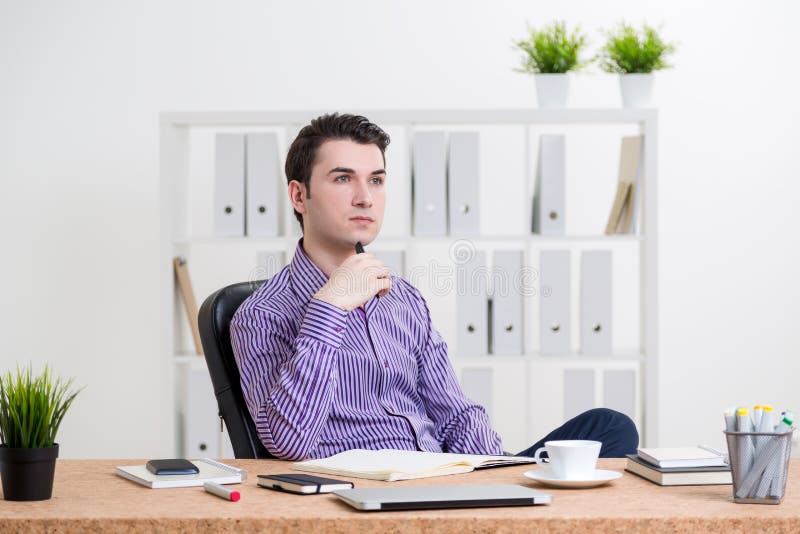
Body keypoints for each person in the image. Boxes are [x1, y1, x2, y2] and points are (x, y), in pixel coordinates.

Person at [230, 113, 638, 461]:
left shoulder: (403, 299)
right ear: (299, 196)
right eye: (343, 179)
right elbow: (289, 443)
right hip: (363, 494)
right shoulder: (261, 315)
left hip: (444, 479)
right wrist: (330, 307)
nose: (365, 198)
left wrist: (494, 475)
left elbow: (454, 414)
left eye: (376, 180)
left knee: (611, 426)